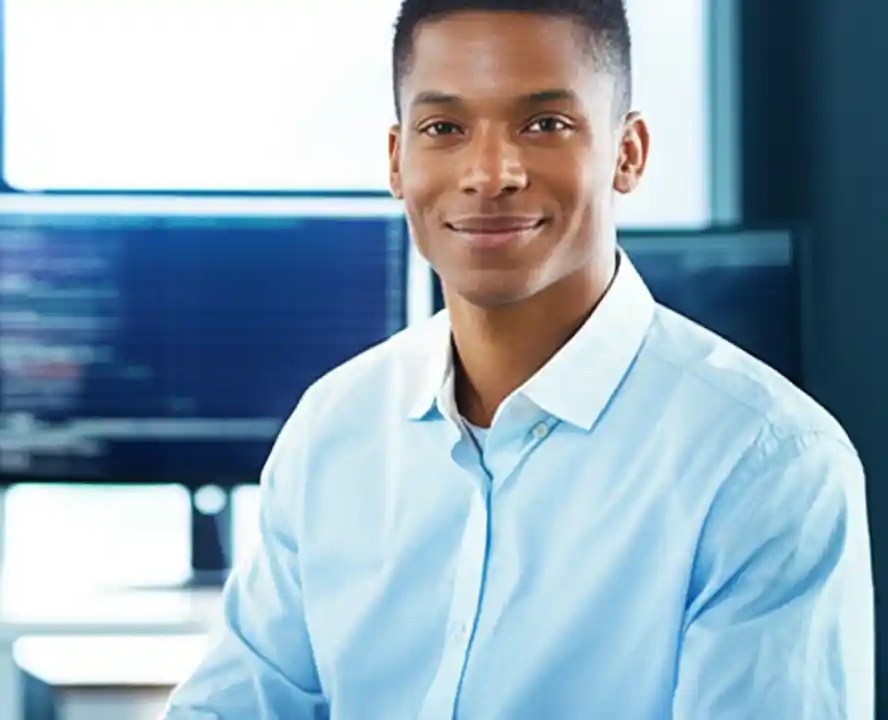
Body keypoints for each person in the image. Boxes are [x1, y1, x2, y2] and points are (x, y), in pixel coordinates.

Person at [163, 0, 875, 718]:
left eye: (544, 125)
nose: (490, 173)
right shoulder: (335, 427)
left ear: (627, 153)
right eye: (444, 128)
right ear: (396, 160)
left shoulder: (767, 463)